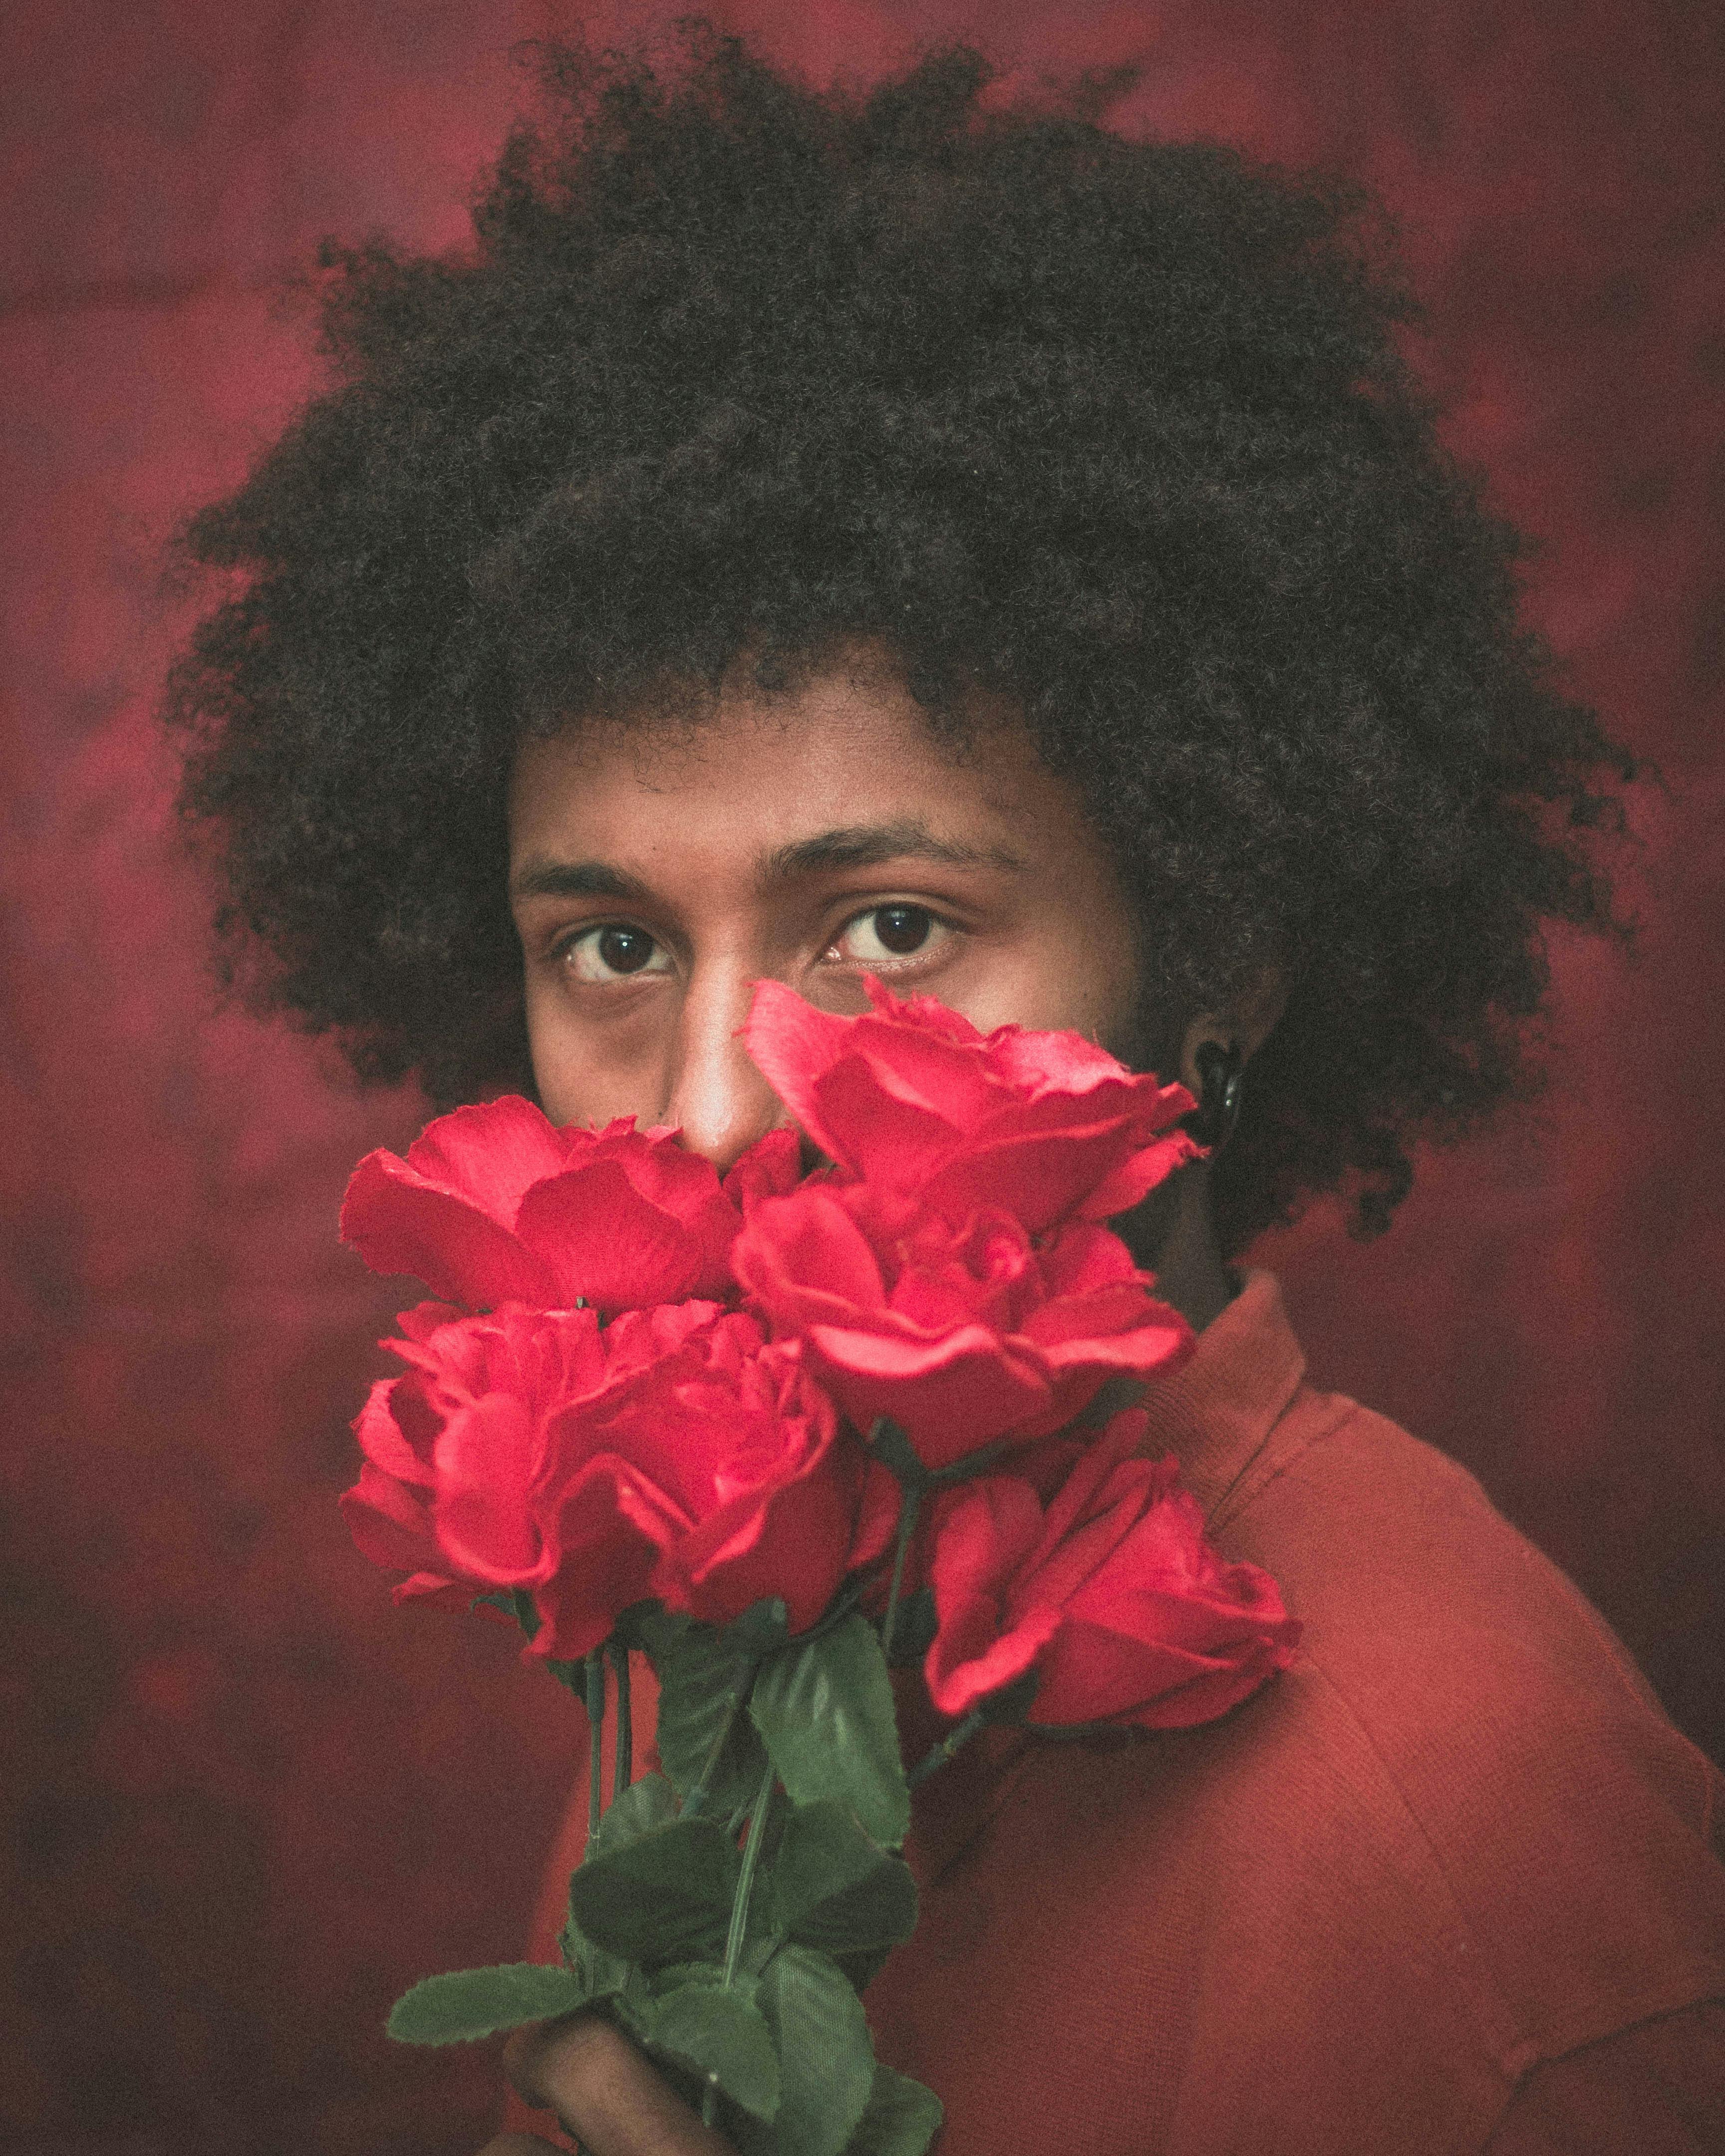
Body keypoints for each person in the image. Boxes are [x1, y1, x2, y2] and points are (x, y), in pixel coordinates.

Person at [166, 25, 1725, 2155]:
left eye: (885, 928)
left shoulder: (1470, 1852)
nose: (716, 1114)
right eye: (614, 945)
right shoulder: (739, 1622)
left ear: (1220, 959)